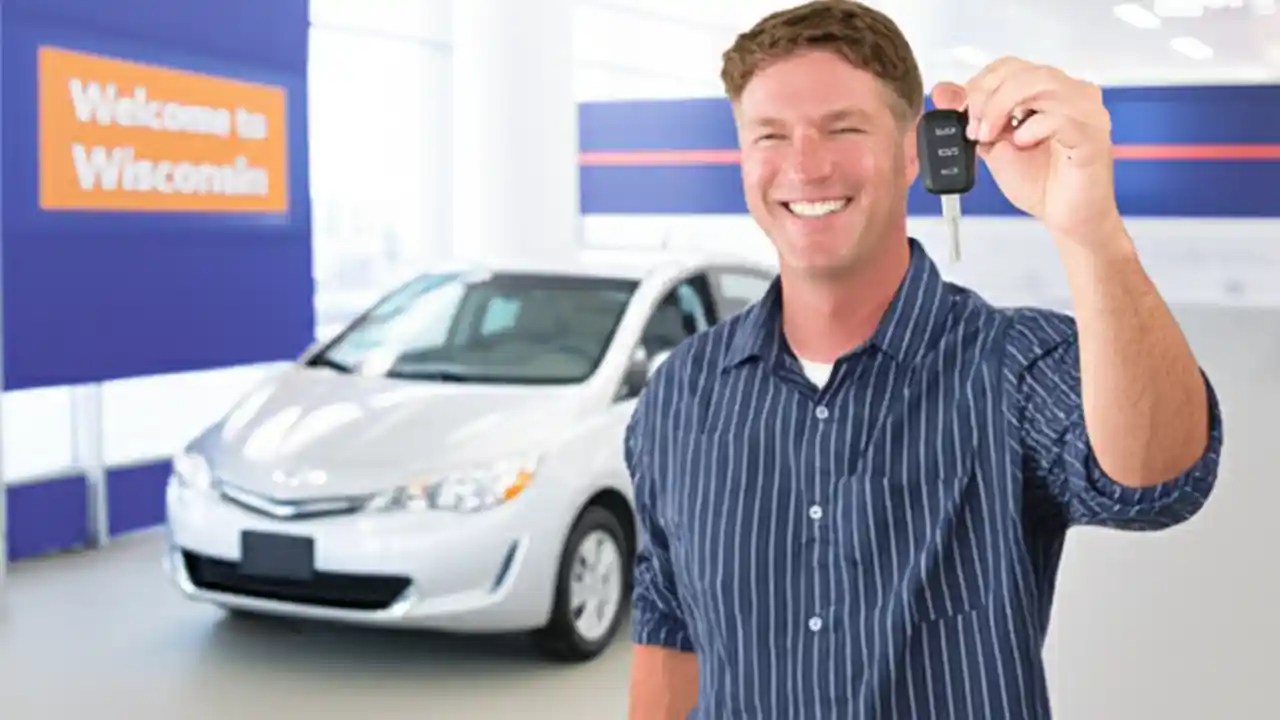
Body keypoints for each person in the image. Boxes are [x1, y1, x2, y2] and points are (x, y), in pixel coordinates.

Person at [624, 1, 1224, 718]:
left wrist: (1090, 228)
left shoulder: (1012, 367)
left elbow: (1159, 482)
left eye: (843, 128)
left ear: (916, 151)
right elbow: (669, 626)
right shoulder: (683, 391)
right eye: (771, 135)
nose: (806, 165)